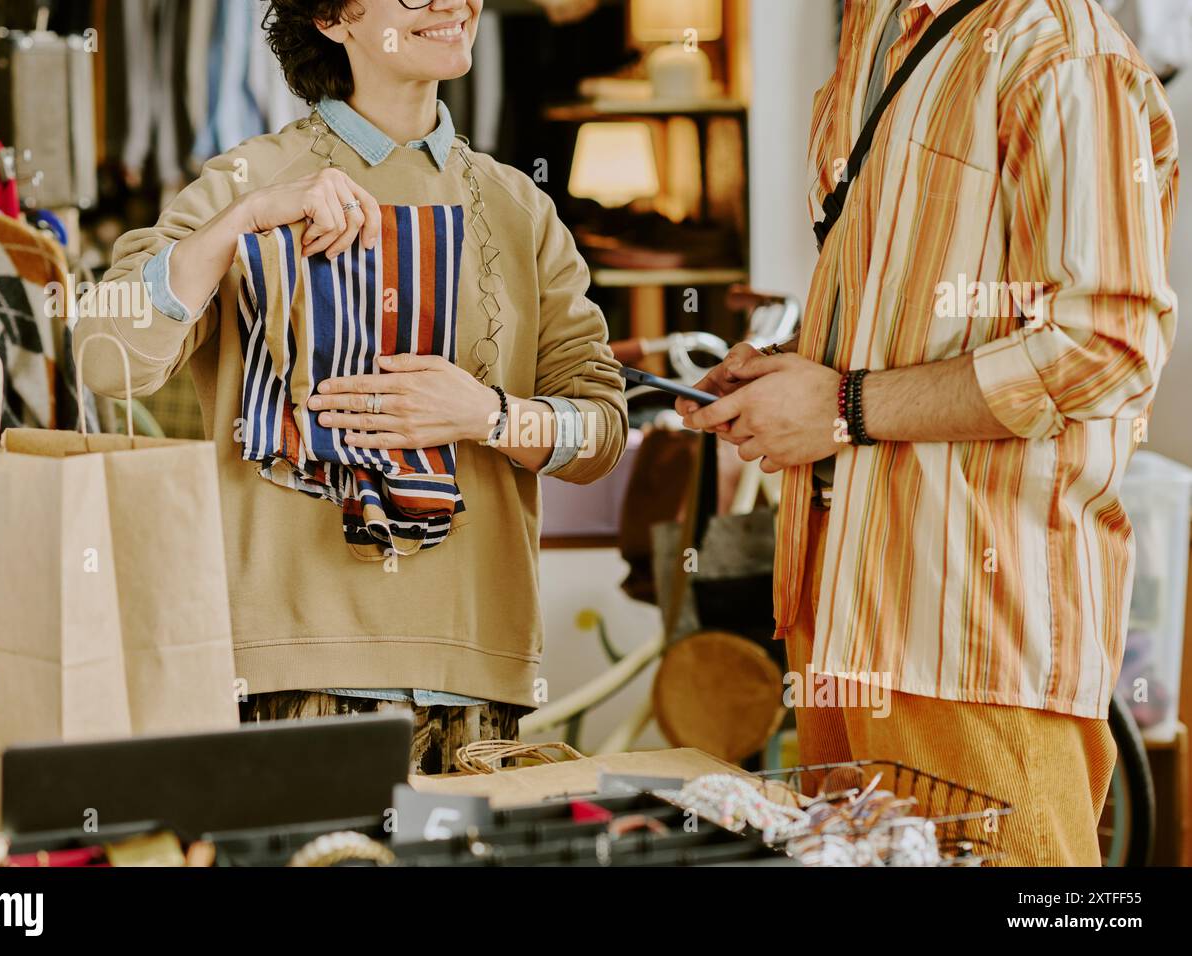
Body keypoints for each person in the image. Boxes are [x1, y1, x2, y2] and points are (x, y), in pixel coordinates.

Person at [679, 0, 1178, 865]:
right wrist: (793, 367)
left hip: (971, 628)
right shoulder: (873, 28)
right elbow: (916, 316)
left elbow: (1109, 345)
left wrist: (841, 406)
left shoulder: (1065, 51)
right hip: (837, 612)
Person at [74, 0, 627, 774]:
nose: (452, 3)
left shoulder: (520, 208)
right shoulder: (248, 181)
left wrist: (489, 416)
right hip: (280, 674)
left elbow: (601, 432)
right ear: (335, 18)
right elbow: (106, 358)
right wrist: (245, 221)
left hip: (474, 673)